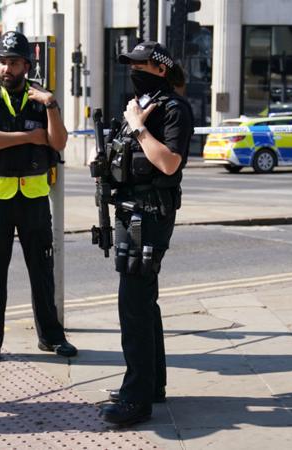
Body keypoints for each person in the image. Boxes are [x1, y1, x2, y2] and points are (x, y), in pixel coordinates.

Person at [98, 41, 194, 426]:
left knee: (133, 306)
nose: (131, 71)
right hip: (130, 210)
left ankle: (136, 398)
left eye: (137, 64)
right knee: (143, 301)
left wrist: (137, 128)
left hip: (150, 214)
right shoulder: (139, 103)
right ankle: (150, 384)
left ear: (158, 68)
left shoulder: (173, 109)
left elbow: (169, 163)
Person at [0, 30, 77, 367]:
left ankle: (51, 336)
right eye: (2, 61)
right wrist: (29, 136)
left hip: (33, 198)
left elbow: (58, 142)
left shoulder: (42, 97)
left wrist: (52, 106)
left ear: (26, 65)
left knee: (42, 272)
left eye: (13, 62)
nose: (6, 68)